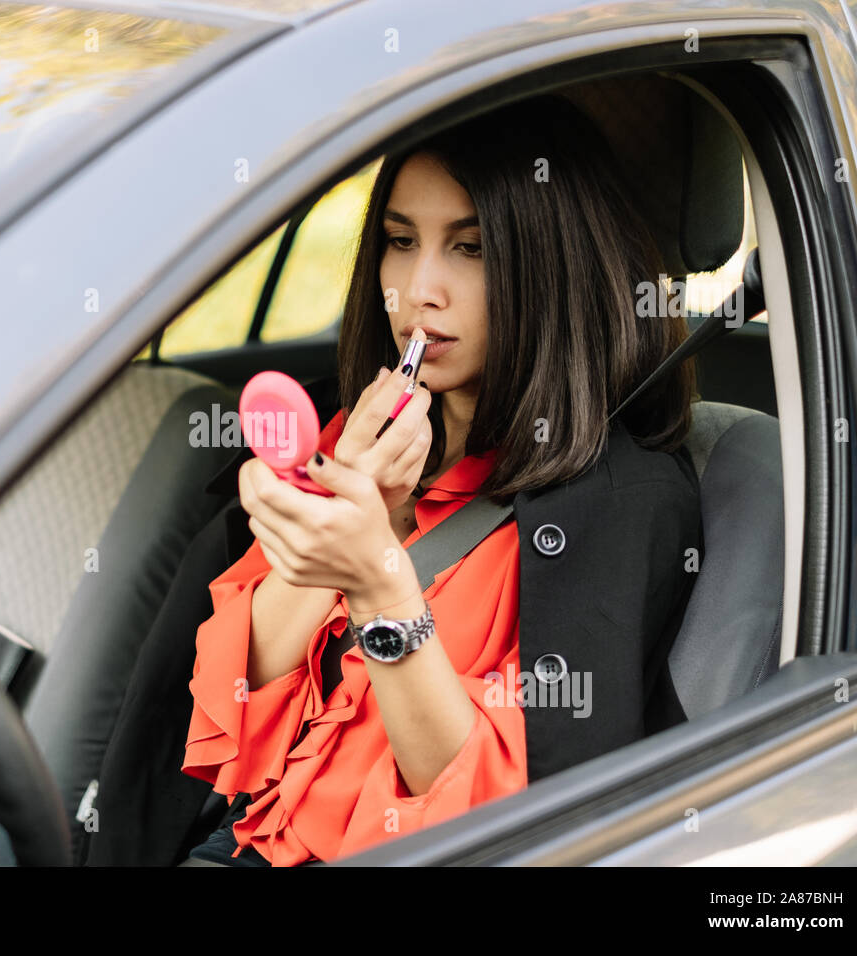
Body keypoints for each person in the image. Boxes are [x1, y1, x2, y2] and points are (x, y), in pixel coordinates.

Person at [178, 94, 700, 867]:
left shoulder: (616, 506)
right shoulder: (354, 434)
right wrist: (345, 512)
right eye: (398, 240)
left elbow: (498, 819)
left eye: (473, 248)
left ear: (550, 264)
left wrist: (382, 588)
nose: (418, 289)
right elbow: (236, 709)